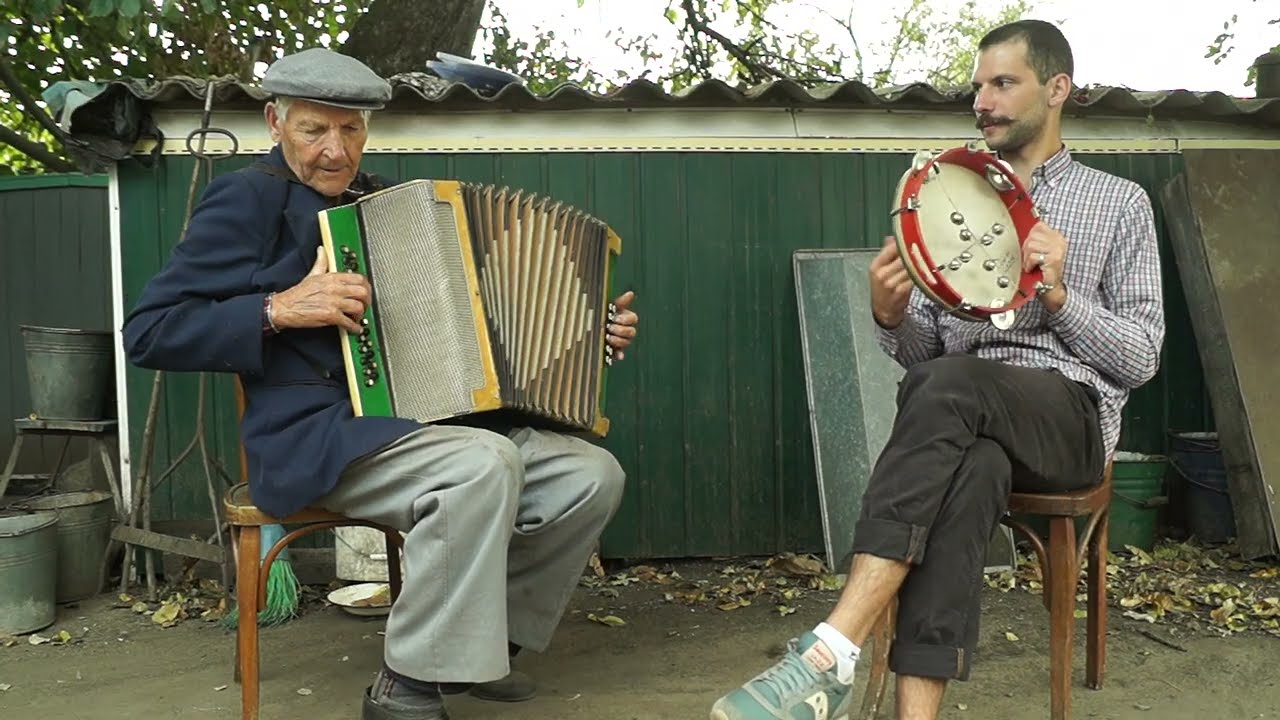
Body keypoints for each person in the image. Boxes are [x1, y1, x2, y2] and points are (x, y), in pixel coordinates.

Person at [121, 48, 637, 720]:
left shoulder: (391, 203)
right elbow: (150, 331)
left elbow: (479, 315)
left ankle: (483, 646)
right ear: (275, 123)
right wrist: (277, 309)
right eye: (315, 130)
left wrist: (583, 327)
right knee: (482, 463)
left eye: (352, 130)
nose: (337, 152)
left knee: (590, 472)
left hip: (416, 426)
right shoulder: (245, 200)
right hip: (315, 438)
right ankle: (408, 685)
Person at [710, 19, 1164, 720]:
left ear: (1057, 88)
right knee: (971, 465)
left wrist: (1062, 296)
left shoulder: (1118, 203)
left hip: (1067, 423)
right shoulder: (949, 197)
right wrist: (893, 316)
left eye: (1003, 83)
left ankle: (832, 647)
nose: (983, 101)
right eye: (978, 86)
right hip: (961, 416)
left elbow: (1141, 357)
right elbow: (927, 359)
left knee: (950, 387)